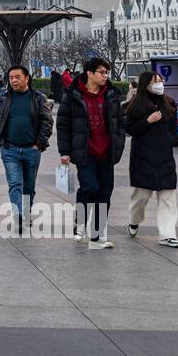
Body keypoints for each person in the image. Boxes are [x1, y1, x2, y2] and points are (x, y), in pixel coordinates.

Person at [56, 56, 125, 249]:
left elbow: (120, 122)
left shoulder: (111, 94)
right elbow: (63, 125)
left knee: (105, 192)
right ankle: (80, 225)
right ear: (89, 73)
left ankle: (97, 235)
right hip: (85, 151)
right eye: (101, 72)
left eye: (106, 73)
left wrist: (118, 142)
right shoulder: (73, 95)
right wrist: (65, 151)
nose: (105, 76)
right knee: (90, 188)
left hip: (107, 151)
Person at [0, 64, 52, 234]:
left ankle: (25, 213)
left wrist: (39, 143)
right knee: (15, 183)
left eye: (17, 77)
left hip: (32, 150)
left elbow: (47, 121)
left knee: (29, 187)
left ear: (27, 78)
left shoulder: (38, 98)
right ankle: (20, 217)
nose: (14, 81)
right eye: (11, 78)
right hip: (10, 149)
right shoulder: (3, 97)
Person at [124, 70, 178, 248]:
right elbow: (130, 129)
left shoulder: (169, 103)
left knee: (168, 197)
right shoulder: (135, 105)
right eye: (155, 82)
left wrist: (171, 140)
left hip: (165, 157)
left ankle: (167, 234)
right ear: (145, 85)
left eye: (160, 80)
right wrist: (147, 121)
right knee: (141, 196)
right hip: (143, 157)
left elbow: (174, 130)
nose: (159, 84)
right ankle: (134, 221)